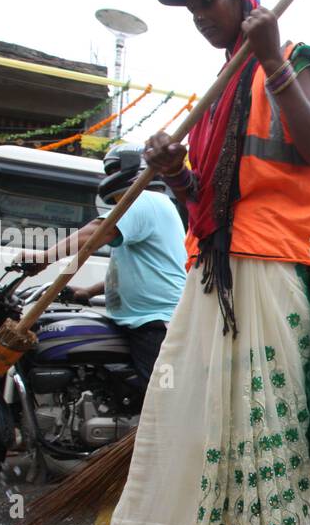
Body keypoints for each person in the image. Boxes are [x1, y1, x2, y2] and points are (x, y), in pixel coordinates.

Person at [48, 0, 310, 525]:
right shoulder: (216, 94)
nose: (196, 17)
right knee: (173, 417)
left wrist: (273, 58)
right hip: (212, 274)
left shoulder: (293, 56)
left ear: (246, 0)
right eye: (189, 9)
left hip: (274, 268)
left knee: (258, 426)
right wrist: (175, 174)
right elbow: (206, 210)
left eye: (207, 2)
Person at [17, 144, 187, 383]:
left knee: (162, 402)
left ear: (131, 167)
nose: (107, 178)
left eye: (111, 170)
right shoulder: (151, 205)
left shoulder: (146, 200)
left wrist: (44, 258)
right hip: (136, 321)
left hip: (153, 323)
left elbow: (98, 231)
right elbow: (133, 269)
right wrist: (88, 291)